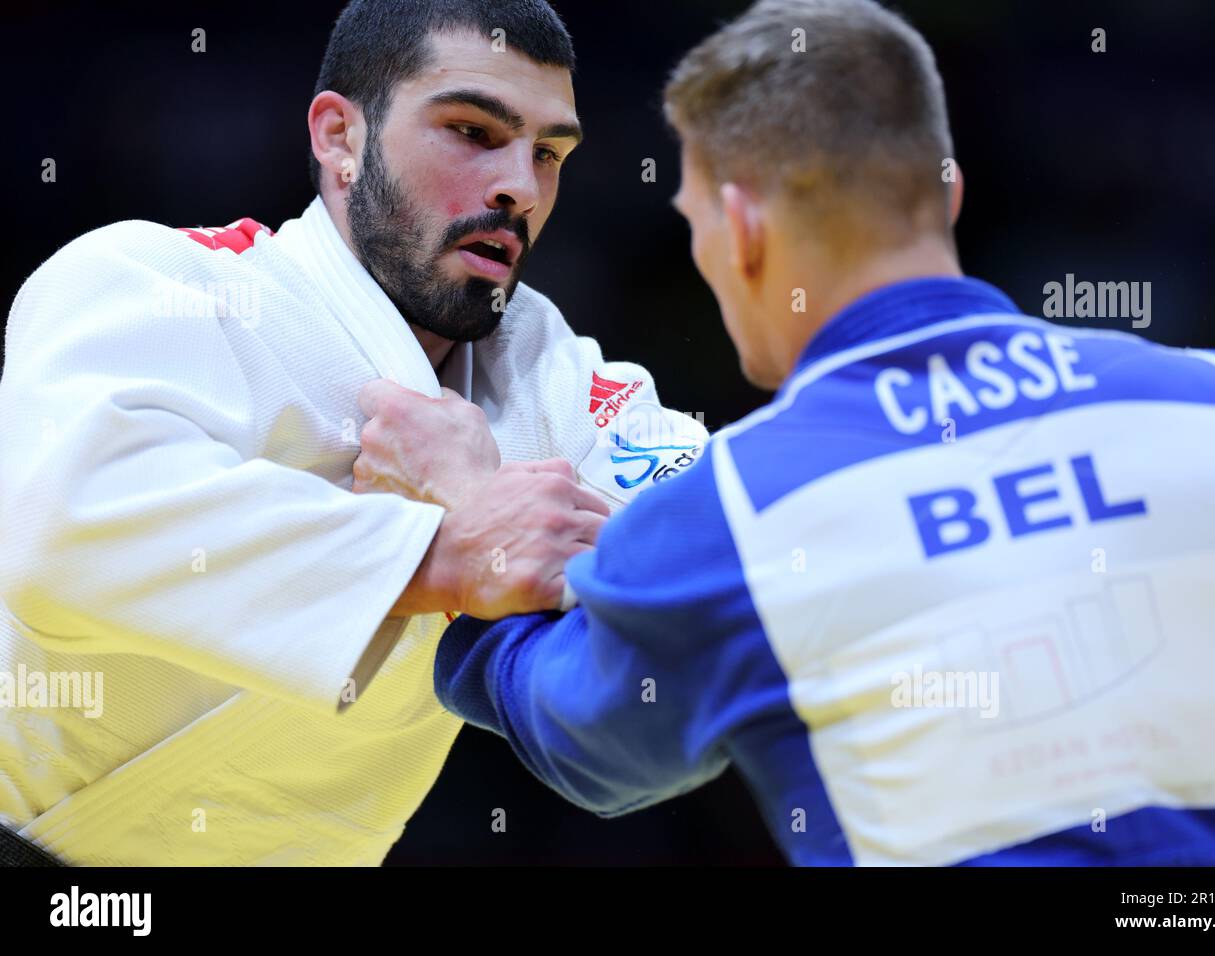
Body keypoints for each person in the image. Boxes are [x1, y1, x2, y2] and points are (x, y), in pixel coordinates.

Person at [365, 0, 1215, 865]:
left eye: (695, 224)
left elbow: (591, 748)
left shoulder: (737, 512)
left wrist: (481, 514)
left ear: (741, 230)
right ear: (950, 194)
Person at [0, 0, 703, 866]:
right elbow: (61, 534)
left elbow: (713, 607)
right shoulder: (158, 282)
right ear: (340, 138)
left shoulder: (573, 388)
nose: (521, 184)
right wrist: (442, 555)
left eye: (549, 153)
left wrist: (475, 498)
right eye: (475, 130)